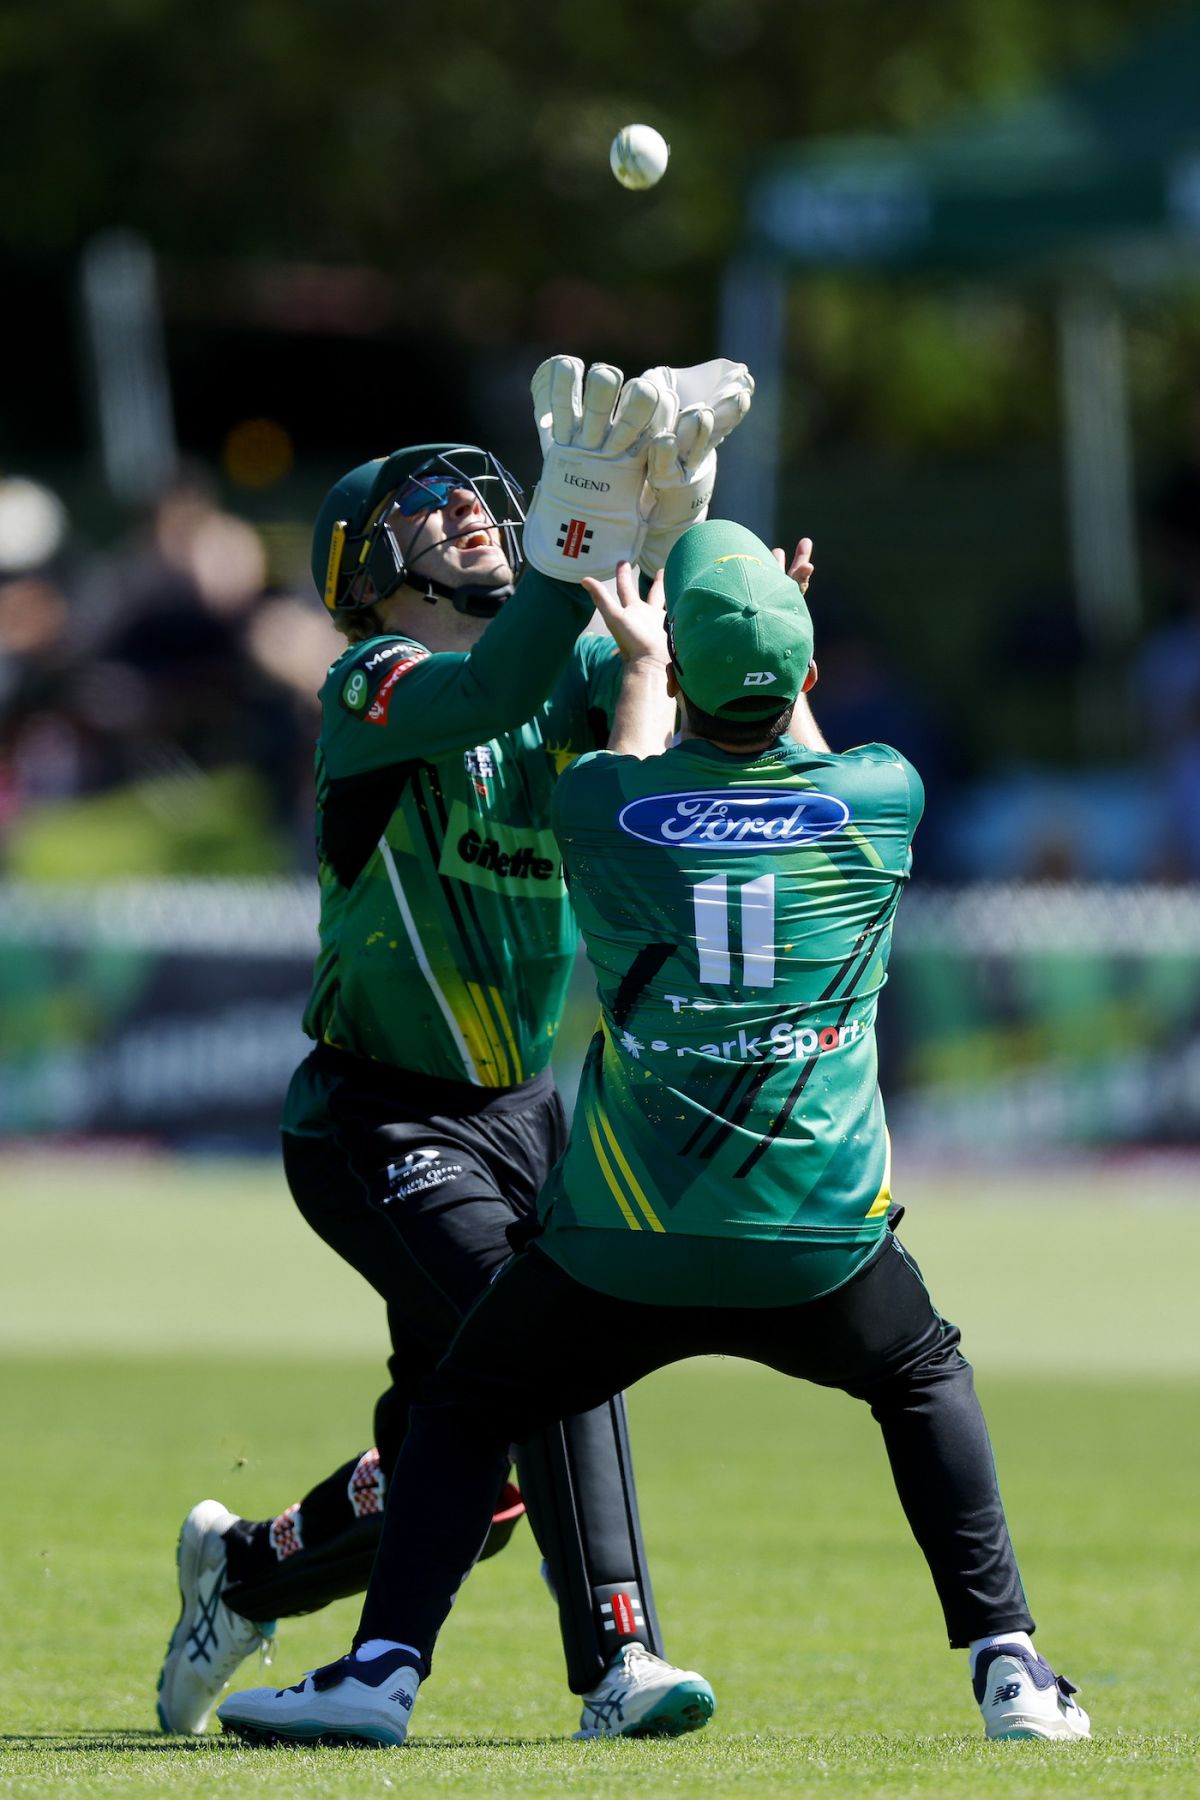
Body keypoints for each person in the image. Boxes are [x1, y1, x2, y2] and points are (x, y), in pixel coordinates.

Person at [217, 519, 1091, 1747]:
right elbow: (801, 753)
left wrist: (642, 656)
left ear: (678, 672)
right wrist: (764, 651)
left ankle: (382, 1670)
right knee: (921, 1373)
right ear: (805, 677)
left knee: (467, 1403)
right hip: (817, 1245)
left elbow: (631, 762)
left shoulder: (604, 812)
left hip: (623, 1245)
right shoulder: (882, 797)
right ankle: (1012, 1668)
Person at [157, 354, 754, 1740]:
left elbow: (669, 680)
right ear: (366, 569)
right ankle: (618, 1657)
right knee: (554, 1338)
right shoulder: (369, 680)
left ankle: (242, 1569)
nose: (475, 513)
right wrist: (576, 527)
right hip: (377, 1121)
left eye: (491, 501)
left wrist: (679, 532)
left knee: (465, 1472)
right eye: (436, 508)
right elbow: (489, 693)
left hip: (519, 1116)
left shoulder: (553, 673)